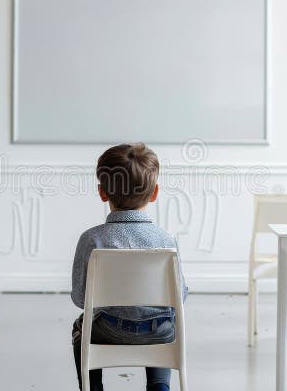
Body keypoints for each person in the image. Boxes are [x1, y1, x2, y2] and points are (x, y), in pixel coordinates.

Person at [71, 143, 188, 391]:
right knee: (166, 319)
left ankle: (92, 388)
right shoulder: (166, 240)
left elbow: (81, 299)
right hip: (158, 332)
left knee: (80, 328)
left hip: (108, 329)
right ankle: (159, 386)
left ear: (102, 192)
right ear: (154, 193)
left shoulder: (92, 239)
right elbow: (180, 297)